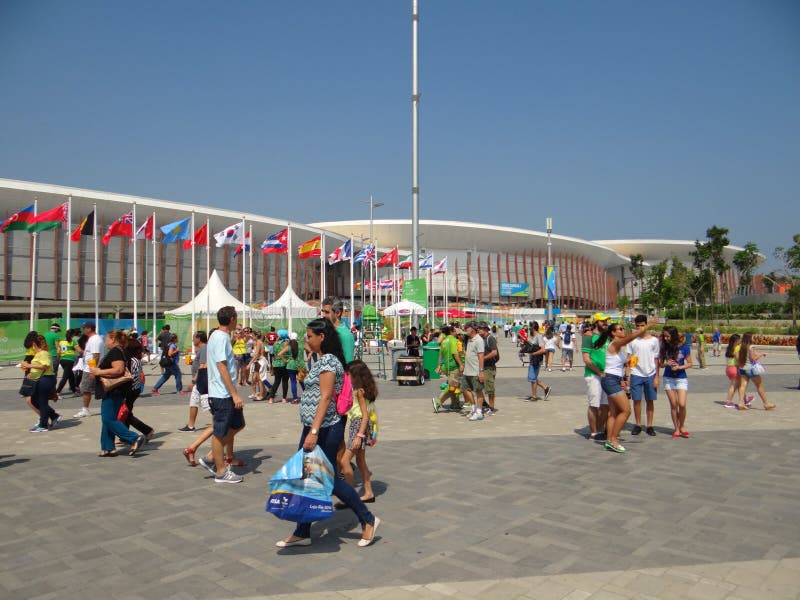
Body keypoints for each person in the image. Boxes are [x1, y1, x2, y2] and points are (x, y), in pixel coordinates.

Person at [275, 318, 380, 548]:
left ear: (322, 337)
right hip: (314, 426)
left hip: (325, 428)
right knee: (308, 476)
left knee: (327, 479)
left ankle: (368, 519)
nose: (306, 339)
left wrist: (313, 431)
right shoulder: (321, 359)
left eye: (310, 336)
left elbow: (324, 397)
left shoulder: (329, 362)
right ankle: (303, 531)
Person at [198, 306, 246, 483]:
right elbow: (221, 366)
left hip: (225, 392)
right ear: (232, 319)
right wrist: (234, 394)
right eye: (236, 317)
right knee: (219, 432)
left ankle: (211, 457)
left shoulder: (222, 337)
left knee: (238, 424)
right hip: (221, 393)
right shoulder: (220, 337)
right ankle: (220, 471)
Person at [598, 319, 656, 453]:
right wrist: (647, 326)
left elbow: (618, 364)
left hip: (614, 379)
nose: (623, 331)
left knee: (613, 413)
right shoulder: (616, 343)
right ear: (613, 333)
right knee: (626, 410)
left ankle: (609, 439)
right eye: (620, 329)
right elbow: (630, 338)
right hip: (611, 380)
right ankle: (613, 440)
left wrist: (627, 366)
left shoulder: (617, 347)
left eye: (623, 329)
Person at [90, 329, 144, 457]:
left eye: (107, 339)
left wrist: (98, 372)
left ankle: (133, 438)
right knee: (109, 418)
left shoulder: (116, 351)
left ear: (113, 340)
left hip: (114, 389)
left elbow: (118, 370)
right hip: (117, 390)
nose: (105, 342)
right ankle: (108, 447)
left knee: (108, 418)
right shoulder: (121, 351)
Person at [338, 359, 378, 504]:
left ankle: (350, 498)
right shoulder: (362, 389)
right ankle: (368, 493)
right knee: (360, 461)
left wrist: (359, 436)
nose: (347, 377)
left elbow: (364, 415)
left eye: (349, 375)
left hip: (359, 426)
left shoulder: (359, 391)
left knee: (344, 461)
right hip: (360, 425)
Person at [626, 314, 660, 437]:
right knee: (636, 401)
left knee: (650, 401)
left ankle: (650, 425)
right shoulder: (632, 340)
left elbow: (656, 360)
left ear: (646, 325)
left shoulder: (654, 341)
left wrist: (657, 377)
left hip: (650, 374)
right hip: (636, 374)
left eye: (642, 325)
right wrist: (628, 376)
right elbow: (631, 358)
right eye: (638, 326)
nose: (640, 328)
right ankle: (638, 424)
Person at [21, 334, 59, 432]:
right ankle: (53, 416)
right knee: (35, 400)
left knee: (41, 402)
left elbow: (45, 366)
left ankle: (43, 424)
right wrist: (30, 371)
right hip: (41, 379)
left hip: (46, 379)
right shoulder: (38, 354)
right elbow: (38, 366)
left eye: (31, 346)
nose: (31, 348)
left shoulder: (43, 353)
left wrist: (29, 366)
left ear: (34, 344)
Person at [659, 326, 692, 439]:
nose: (666, 338)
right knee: (674, 404)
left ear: (673, 335)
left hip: (681, 377)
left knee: (682, 404)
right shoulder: (664, 347)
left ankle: (682, 426)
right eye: (664, 336)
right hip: (668, 378)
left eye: (668, 336)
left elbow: (690, 363)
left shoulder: (684, 347)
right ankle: (676, 428)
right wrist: (666, 363)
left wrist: (679, 367)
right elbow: (660, 364)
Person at [581, 320, 607, 441]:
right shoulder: (588, 337)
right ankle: (593, 432)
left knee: (605, 405)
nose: (606, 323)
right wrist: (598, 372)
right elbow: (586, 359)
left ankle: (599, 430)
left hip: (607, 375)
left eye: (607, 321)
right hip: (593, 375)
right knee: (594, 404)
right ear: (596, 322)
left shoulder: (607, 336)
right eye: (603, 321)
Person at [736, 332, 776, 411]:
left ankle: (740, 403)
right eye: (752, 337)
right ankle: (766, 403)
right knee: (759, 385)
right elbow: (753, 358)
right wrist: (761, 354)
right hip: (750, 369)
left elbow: (738, 358)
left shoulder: (740, 346)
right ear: (749, 338)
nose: (753, 338)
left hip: (742, 368)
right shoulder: (751, 346)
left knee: (742, 386)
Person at [74, 321, 104, 418]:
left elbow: (96, 356)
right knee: (88, 389)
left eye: (84, 328)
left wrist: (92, 370)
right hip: (89, 367)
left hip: (90, 368)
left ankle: (85, 409)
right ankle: (85, 409)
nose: (83, 330)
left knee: (86, 389)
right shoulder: (92, 339)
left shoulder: (95, 339)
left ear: (89, 329)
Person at [179, 331, 208, 431]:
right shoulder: (202, 349)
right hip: (199, 380)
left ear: (199, 339)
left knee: (206, 404)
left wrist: (194, 380)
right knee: (194, 402)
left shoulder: (204, 348)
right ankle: (190, 425)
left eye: (194, 337)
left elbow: (203, 365)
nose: (192, 339)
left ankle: (219, 422)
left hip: (201, 380)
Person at [432, 325, 464, 413]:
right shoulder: (454, 341)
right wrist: (461, 364)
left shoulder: (444, 341)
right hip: (453, 366)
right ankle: (438, 401)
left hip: (445, 367)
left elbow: (440, 354)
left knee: (454, 384)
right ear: (452, 332)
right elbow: (455, 353)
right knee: (453, 386)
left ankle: (455, 404)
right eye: (455, 331)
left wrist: (439, 366)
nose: (457, 333)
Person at [461, 322, 487, 422]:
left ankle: (479, 412)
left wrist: (481, 371)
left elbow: (481, 356)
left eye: (467, 328)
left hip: (476, 371)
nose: (465, 329)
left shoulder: (478, 340)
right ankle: (474, 407)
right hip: (467, 370)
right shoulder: (470, 339)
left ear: (472, 329)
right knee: (464, 388)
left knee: (478, 391)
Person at [321, 296, 355, 363]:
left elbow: (347, 364)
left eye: (327, 312)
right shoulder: (328, 331)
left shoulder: (345, 335)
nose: (323, 315)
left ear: (338, 313)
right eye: (323, 311)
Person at [477, 322, 499, 415]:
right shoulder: (482, 338)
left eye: (480, 329)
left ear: (485, 329)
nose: (478, 330)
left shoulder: (490, 338)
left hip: (489, 368)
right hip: (483, 367)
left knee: (490, 389)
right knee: (478, 387)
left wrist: (483, 358)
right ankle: (484, 404)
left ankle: (492, 408)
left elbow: (494, 352)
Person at [525, 321, 549, 401]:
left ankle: (534, 396)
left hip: (536, 360)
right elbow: (529, 348)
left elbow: (543, 350)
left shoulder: (539, 336)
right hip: (532, 359)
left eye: (530, 327)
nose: (529, 328)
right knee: (532, 377)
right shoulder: (531, 337)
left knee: (532, 378)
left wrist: (534, 353)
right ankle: (545, 388)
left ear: (533, 328)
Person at [267, 330, 290, 403]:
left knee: (276, 381)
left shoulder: (275, 344)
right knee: (285, 381)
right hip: (284, 363)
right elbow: (288, 352)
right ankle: (284, 398)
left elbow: (274, 354)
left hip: (276, 364)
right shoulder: (287, 343)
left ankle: (271, 398)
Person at [56, 328, 80, 396]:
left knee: (71, 376)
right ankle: (57, 392)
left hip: (62, 360)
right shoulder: (72, 342)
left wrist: (59, 359)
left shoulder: (61, 342)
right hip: (69, 360)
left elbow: (58, 351)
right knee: (65, 377)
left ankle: (74, 391)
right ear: (73, 335)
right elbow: (79, 350)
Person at [723, 333, 742, 409]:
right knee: (733, 386)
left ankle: (744, 399)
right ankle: (728, 402)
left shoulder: (729, 347)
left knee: (739, 385)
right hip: (734, 368)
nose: (741, 340)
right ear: (736, 341)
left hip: (728, 369)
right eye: (740, 339)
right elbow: (737, 357)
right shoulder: (737, 347)